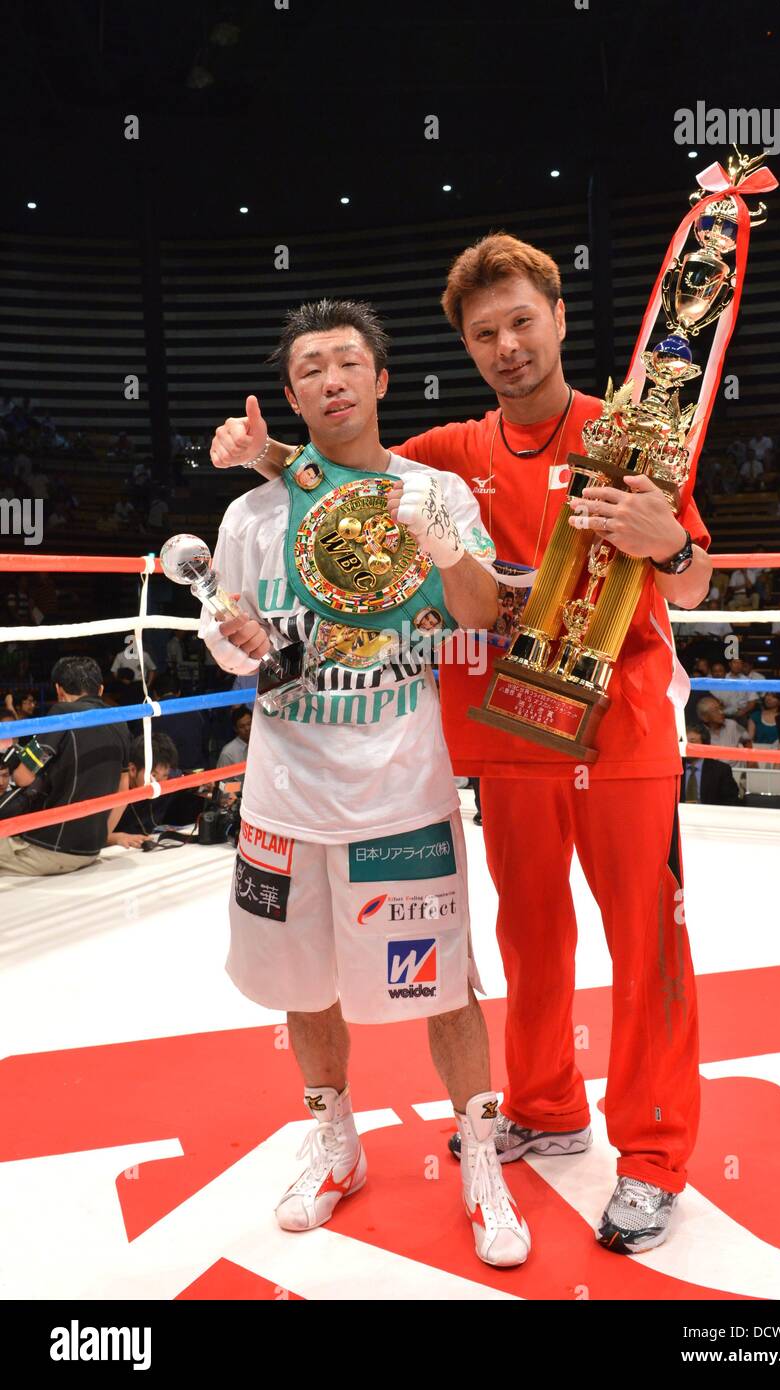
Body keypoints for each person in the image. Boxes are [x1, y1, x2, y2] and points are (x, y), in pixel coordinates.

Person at [209, 235, 714, 1255]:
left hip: (620, 736)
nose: (506, 346)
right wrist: (262, 456)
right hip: (509, 735)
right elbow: (344, 474)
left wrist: (668, 540)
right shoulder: (451, 455)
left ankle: (653, 1160)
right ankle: (540, 1105)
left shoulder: (630, 439)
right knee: (528, 940)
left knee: (647, 948)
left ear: (559, 318)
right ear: (465, 350)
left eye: (521, 321)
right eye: (483, 334)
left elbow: (694, 582)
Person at [201, 298, 530, 1268]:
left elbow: (483, 614)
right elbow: (226, 638)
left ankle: (479, 1154)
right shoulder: (252, 512)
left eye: (348, 361)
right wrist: (248, 645)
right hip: (284, 795)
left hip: (400, 789)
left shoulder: (432, 489)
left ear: (382, 381)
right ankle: (335, 1139)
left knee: (444, 988)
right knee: (303, 983)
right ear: (292, 394)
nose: (332, 379)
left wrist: (440, 542)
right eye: (311, 368)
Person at [0, 657, 130, 876]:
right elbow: (123, 787)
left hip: (47, 848)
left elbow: (23, 776)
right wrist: (97, 839)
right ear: (100, 689)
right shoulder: (120, 721)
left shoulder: (63, 713)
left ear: (59, 690)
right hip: (89, 849)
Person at [680, 724, 740, 805]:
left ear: (704, 745)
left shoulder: (721, 770)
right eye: (684, 742)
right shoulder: (673, 769)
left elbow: (731, 800)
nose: (686, 746)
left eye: (692, 741)